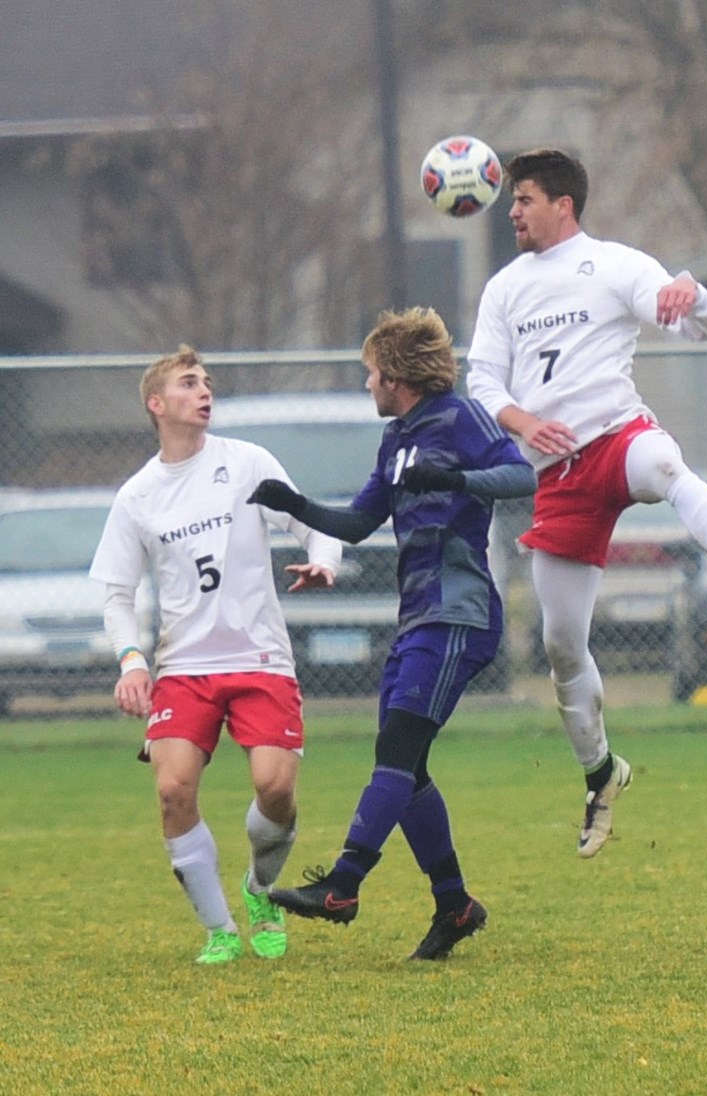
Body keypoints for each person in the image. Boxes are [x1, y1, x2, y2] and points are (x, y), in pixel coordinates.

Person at [466, 147, 707, 858]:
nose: (512, 211)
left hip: (619, 436)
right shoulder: (505, 289)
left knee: (668, 464)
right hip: (558, 477)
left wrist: (689, 292)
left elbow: (704, 323)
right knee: (560, 645)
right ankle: (601, 771)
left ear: (563, 206)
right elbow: (484, 382)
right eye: (511, 200)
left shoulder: (614, 264)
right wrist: (523, 423)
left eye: (523, 199)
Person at [254, 307, 537, 961]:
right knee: (405, 765)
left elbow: (522, 474)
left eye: (371, 373)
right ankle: (455, 905)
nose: (367, 385)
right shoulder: (396, 440)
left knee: (397, 750)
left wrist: (455, 479)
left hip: (458, 613)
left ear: (397, 375)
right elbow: (357, 524)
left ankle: (345, 883)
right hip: (417, 618)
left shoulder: (460, 419)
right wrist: (292, 506)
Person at [89, 346, 342, 965]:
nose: (204, 391)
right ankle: (220, 929)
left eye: (207, 382)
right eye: (188, 383)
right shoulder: (138, 496)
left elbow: (316, 525)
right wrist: (132, 661)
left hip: (260, 658)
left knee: (274, 788)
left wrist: (324, 562)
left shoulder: (247, 462)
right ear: (157, 404)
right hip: (184, 669)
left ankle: (262, 891)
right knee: (174, 790)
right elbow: (117, 594)